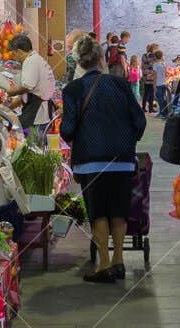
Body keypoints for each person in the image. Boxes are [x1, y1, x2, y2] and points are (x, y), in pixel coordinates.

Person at [60, 34, 147, 282]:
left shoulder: (73, 89)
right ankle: (119, 260)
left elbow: (67, 129)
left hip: (90, 161)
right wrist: (128, 141)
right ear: (100, 58)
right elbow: (139, 120)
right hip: (122, 158)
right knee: (118, 210)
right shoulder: (120, 84)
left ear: (78, 62)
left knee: (98, 212)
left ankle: (104, 265)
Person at [5, 34, 58, 142]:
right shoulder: (36, 59)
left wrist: (11, 92)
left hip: (37, 115)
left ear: (19, 51)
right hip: (39, 111)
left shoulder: (30, 61)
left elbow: (27, 86)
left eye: (14, 54)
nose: (14, 57)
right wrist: (9, 107)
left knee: (34, 148)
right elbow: (29, 92)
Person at [139, 43, 162, 113]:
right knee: (151, 92)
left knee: (146, 92)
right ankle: (150, 108)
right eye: (157, 48)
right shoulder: (154, 56)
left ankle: (143, 107)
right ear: (154, 49)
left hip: (145, 75)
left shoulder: (144, 55)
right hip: (151, 75)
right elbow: (157, 64)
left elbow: (142, 66)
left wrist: (143, 74)